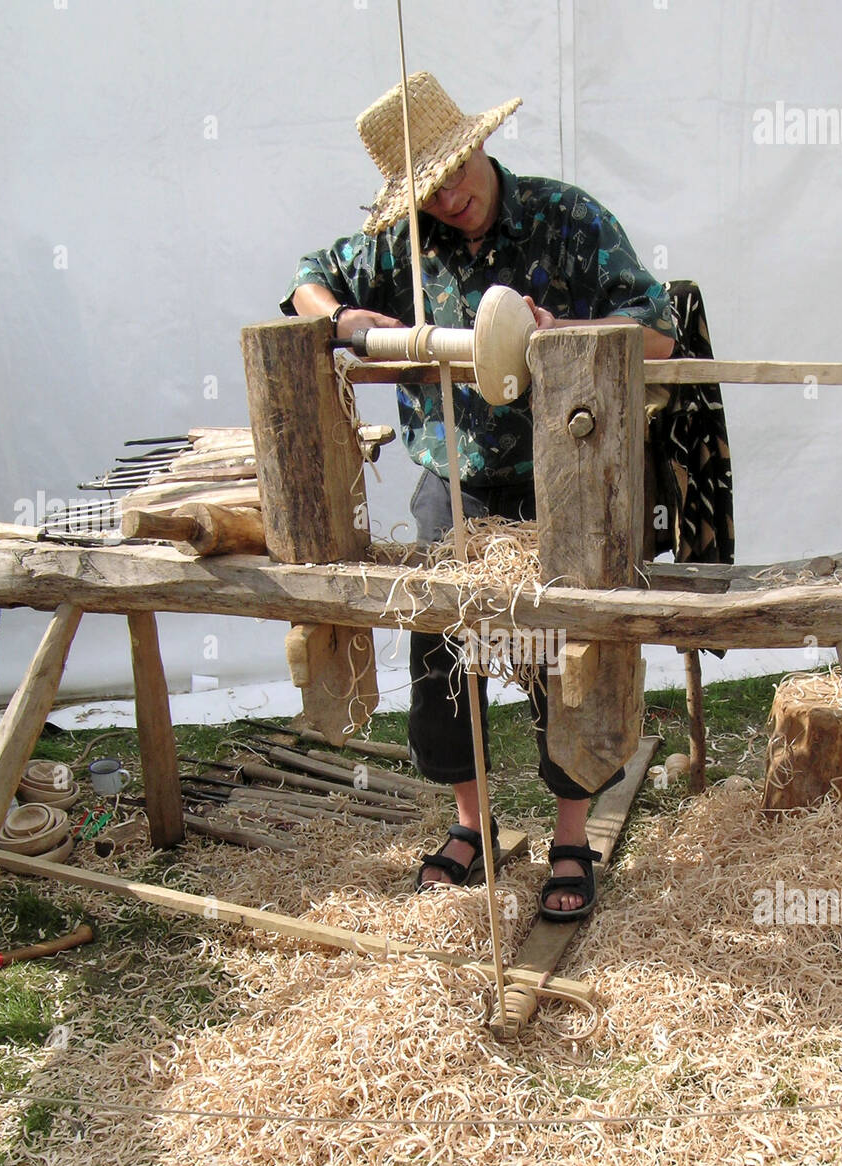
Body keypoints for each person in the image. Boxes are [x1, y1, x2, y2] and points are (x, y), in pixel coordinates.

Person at [282, 72, 674, 920]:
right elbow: (307, 280)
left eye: (452, 173)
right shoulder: (405, 245)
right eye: (426, 188)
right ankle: (473, 827)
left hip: (561, 478)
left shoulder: (565, 217)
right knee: (439, 660)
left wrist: (552, 336)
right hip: (450, 484)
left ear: (477, 146)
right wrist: (359, 328)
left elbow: (657, 328)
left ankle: (571, 836)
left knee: (559, 662)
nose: (448, 196)